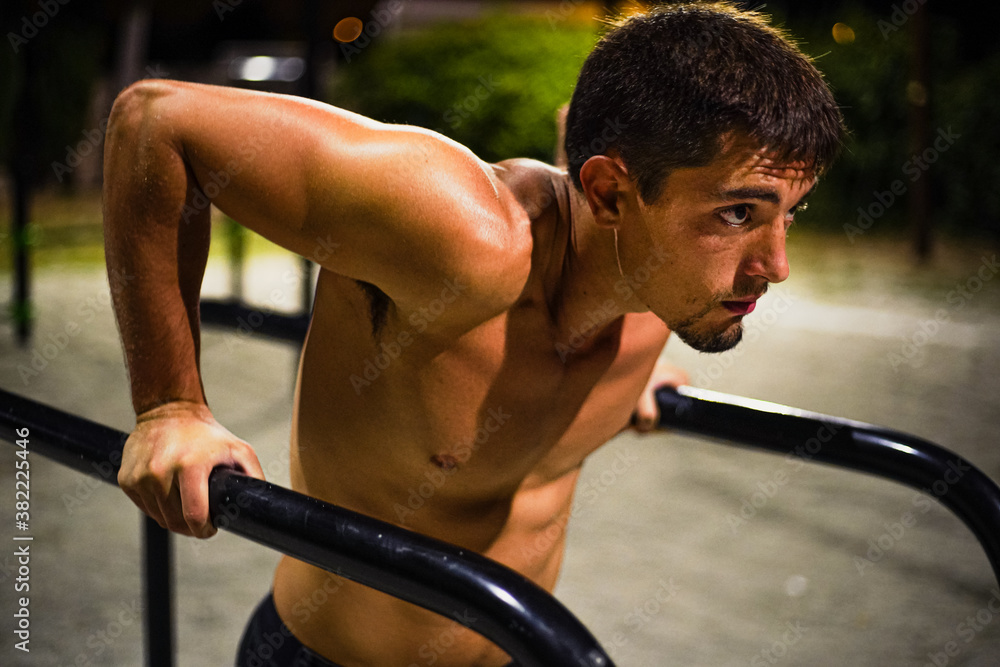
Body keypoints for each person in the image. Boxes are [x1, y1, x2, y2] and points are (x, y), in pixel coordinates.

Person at [103, 2, 843, 665]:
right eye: (739, 214)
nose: (776, 265)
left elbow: (577, 126)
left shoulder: (654, 282)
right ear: (610, 193)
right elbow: (155, 122)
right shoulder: (465, 242)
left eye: (791, 213)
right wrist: (169, 405)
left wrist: (628, 368)